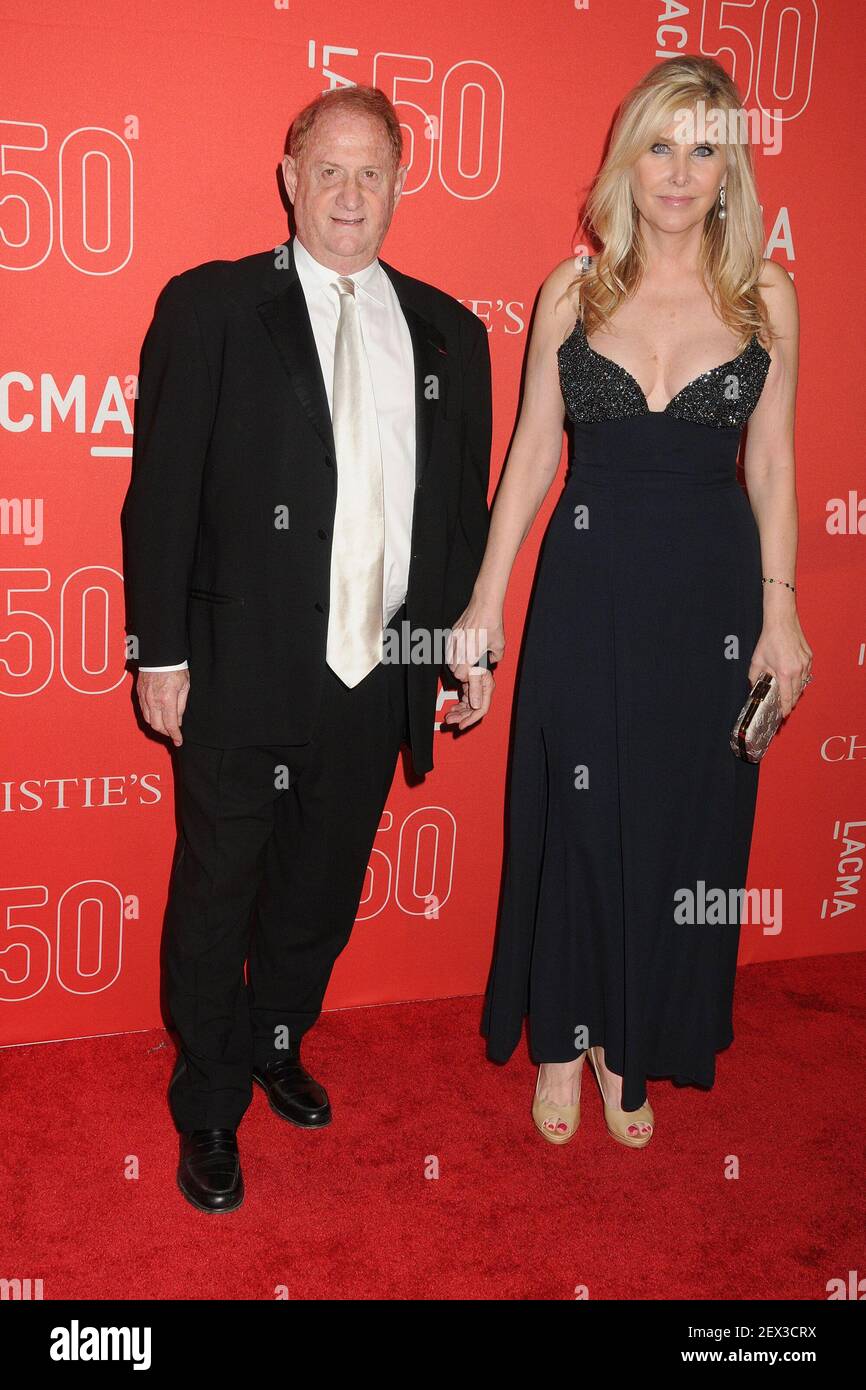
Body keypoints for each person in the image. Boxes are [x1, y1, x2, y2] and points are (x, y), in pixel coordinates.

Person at [121, 85, 494, 1211]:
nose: (347, 194)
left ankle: (277, 1042)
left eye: (370, 173)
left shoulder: (448, 332)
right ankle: (209, 1103)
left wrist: (455, 647)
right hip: (236, 671)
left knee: (318, 895)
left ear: (399, 185)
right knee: (215, 894)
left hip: (369, 675)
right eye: (327, 170)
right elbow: (161, 498)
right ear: (288, 177)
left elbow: (452, 518)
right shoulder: (212, 307)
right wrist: (160, 651)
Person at [449, 56, 811, 1147]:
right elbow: (527, 460)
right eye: (660, 142)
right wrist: (482, 600)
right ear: (628, 155)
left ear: (727, 168)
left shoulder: (765, 295)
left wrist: (779, 609)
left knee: (671, 827)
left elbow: (774, 469)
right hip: (586, 585)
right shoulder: (573, 290)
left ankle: (628, 1036)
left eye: (703, 148)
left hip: (706, 594)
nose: (678, 170)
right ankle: (561, 1038)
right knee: (573, 817)